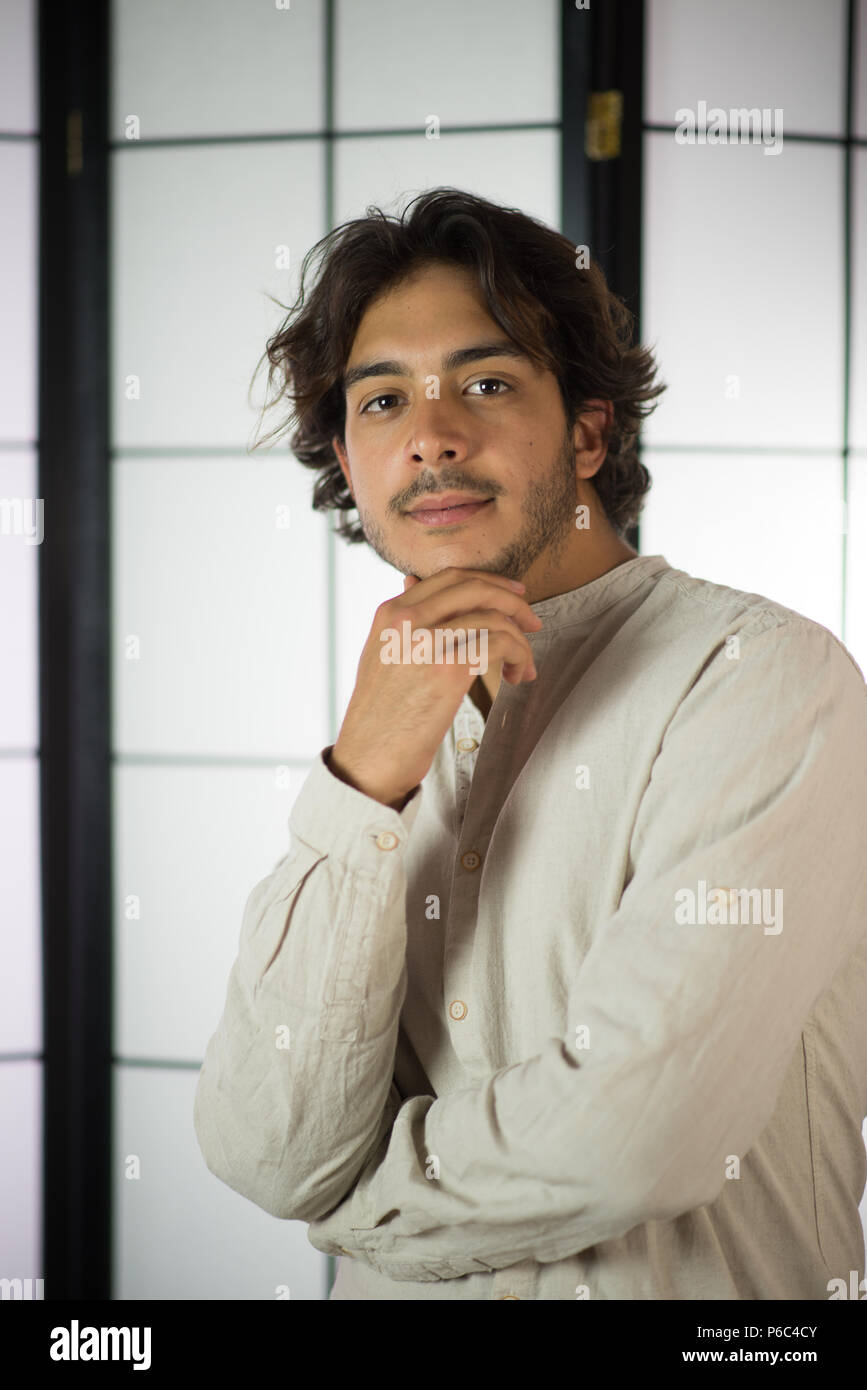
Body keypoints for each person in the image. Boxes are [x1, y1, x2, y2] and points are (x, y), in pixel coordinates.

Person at [193, 188, 867, 1300]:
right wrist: (361, 783)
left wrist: (355, 1212)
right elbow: (263, 1143)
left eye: (487, 383)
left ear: (591, 430)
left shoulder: (762, 682)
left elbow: (636, 1134)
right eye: (380, 401)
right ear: (349, 467)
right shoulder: (391, 725)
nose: (431, 435)